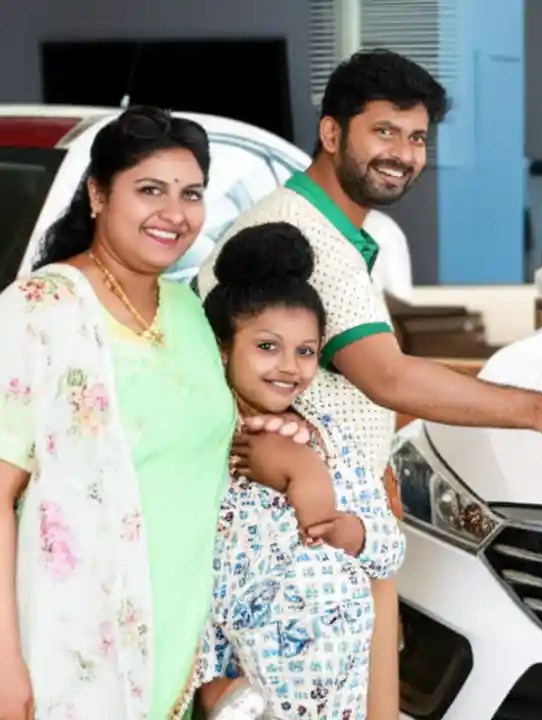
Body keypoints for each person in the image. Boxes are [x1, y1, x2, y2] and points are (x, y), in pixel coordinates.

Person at [197, 49, 542, 720]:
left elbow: (353, 379)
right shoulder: (299, 235)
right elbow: (387, 375)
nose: (404, 154)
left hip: (340, 521)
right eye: (384, 131)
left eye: (417, 138)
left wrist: (373, 468)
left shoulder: (339, 235)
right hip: (289, 540)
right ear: (331, 133)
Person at [0, 106, 307, 720]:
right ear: (97, 193)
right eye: (149, 190)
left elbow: (206, 432)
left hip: (181, 642)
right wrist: (6, 665)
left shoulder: (190, 312)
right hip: (72, 646)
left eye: (191, 194)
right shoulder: (39, 309)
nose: (174, 213)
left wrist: (282, 432)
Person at [193, 223, 404, 720]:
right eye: (267, 346)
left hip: (345, 698)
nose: (289, 366)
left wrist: (355, 534)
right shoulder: (212, 439)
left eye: (305, 351)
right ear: (224, 348)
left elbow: (389, 551)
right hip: (253, 696)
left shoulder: (328, 435)